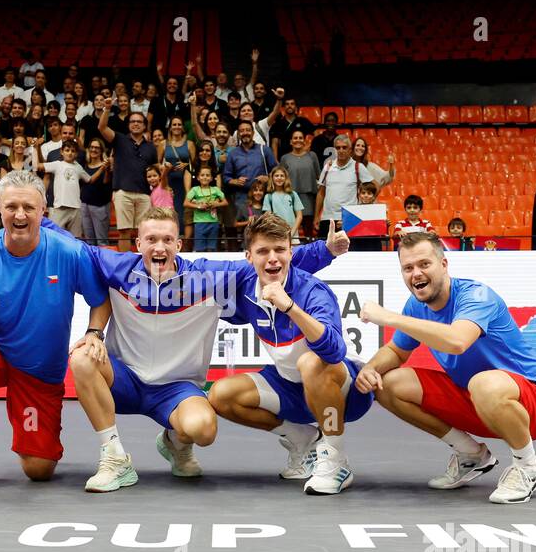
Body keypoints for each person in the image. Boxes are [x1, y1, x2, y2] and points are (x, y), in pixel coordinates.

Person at [67, 206, 349, 491]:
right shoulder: (118, 267)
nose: (159, 247)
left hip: (175, 389)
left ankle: (175, 443)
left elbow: (270, 261)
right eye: (151, 239)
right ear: (138, 243)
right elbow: (69, 246)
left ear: (179, 244)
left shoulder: (206, 278)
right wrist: (31, 218)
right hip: (123, 378)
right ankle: (114, 460)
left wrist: (326, 251)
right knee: (81, 357)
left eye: (167, 240)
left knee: (203, 429)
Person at [354, 230, 536, 504]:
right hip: (475, 399)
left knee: (483, 383)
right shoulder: (416, 306)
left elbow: (457, 341)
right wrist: (370, 368)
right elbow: (396, 350)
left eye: (424, 264)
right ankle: (471, 454)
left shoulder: (477, 296)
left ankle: (528, 467)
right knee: (389, 383)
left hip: (534, 403)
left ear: (443, 265)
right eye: (408, 268)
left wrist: (389, 318)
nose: (416, 273)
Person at [0, 171, 110, 487]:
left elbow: (100, 299)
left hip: (40, 372)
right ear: (0, 209)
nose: (20, 214)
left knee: (39, 470)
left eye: (28, 207)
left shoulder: (68, 251)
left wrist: (94, 333)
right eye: (11, 206)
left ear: (43, 212)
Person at [208, 213, 374, 494]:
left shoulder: (313, 291)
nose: (272, 258)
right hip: (291, 389)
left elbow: (334, 351)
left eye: (280, 250)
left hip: (345, 392)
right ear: (249, 256)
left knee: (311, 362)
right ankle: (303, 438)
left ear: (290, 252)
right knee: (220, 395)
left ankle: (336, 459)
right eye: (263, 251)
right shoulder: (246, 290)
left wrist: (290, 308)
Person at [98, 105, 156, 251]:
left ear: (144, 126)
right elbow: (102, 127)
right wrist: (107, 108)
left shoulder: (151, 147)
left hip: (144, 193)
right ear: (128, 125)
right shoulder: (119, 139)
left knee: (145, 232)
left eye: (139, 122)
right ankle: (125, 265)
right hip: (123, 192)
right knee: (124, 231)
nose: (135, 124)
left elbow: (155, 171)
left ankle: (144, 263)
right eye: (132, 121)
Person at [33, 139, 92, 237]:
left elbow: (89, 180)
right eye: (67, 150)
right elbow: (37, 166)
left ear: (76, 153)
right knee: (55, 236)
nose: (70, 153)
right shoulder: (57, 164)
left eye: (73, 151)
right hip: (59, 207)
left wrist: (103, 168)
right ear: (62, 151)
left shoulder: (78, 167)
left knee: (75, 238)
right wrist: (36, 148)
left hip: (76, 208)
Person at [314, 133, 362, 239]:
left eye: (344, 147)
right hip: (327, 218)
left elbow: (373, 188)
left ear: (350, 149)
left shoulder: (358, 167)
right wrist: (317, 216)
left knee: (349, 254)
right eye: (338, 147)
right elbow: (321, 192)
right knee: (325, 253)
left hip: (349, 218)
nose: (341, 150)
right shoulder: (328, 166)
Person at [280, 130, 321, 238]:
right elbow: (281, 178)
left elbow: (319, 176)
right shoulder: (285, 158)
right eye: (295, 138)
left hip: (308, 198)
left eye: (300, 138)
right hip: (290, 198)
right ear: (291, 141)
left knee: (308, 230)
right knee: (290, 230)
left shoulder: (312, 156)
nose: (298, 140)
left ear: (304, 140)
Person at [80, 137, 113, 246]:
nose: (94, 150)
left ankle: (102, 263)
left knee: (101, 240)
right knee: (89, 241)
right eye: (92, 147)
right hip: (84, 205)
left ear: (101, 150)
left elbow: (106, 182)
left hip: (100, 206)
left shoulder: (106, 166)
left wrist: (106, 168)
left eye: (97, 148)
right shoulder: (84, 165)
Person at [185, 166, 225, 251]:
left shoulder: (215, 189)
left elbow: (225, 202)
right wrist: (198, 206)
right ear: (198, 177)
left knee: (212, 248)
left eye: (208, 175)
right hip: (199, 222)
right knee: (200, 248)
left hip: (213, 222)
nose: (205, 177)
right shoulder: (195, 190)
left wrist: (216, 204)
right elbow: (186, 203)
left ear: (211, 178)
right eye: (202, 175)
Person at [264, 165, 305, 241]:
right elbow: (268, 217)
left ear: (286, 178)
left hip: (293, 234)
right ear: (272, 178)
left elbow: (299, 216)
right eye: (276, 176)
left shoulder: (293, 194)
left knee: (293, 252)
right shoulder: (268, 197)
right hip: (276, 235)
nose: (279, 178)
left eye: (282, 176)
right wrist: (278, 232)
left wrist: (292, 233)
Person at [350, 181, 387, 251]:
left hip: (374, 243)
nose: (366, 195)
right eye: (363, 193)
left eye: (369, 193)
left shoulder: (378, 210)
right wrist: (344, 224)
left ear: (374, 196)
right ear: (359, 195)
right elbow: (349, 229)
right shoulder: (352, 211)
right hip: (356, 243)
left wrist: (386, 224)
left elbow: (382, 232)